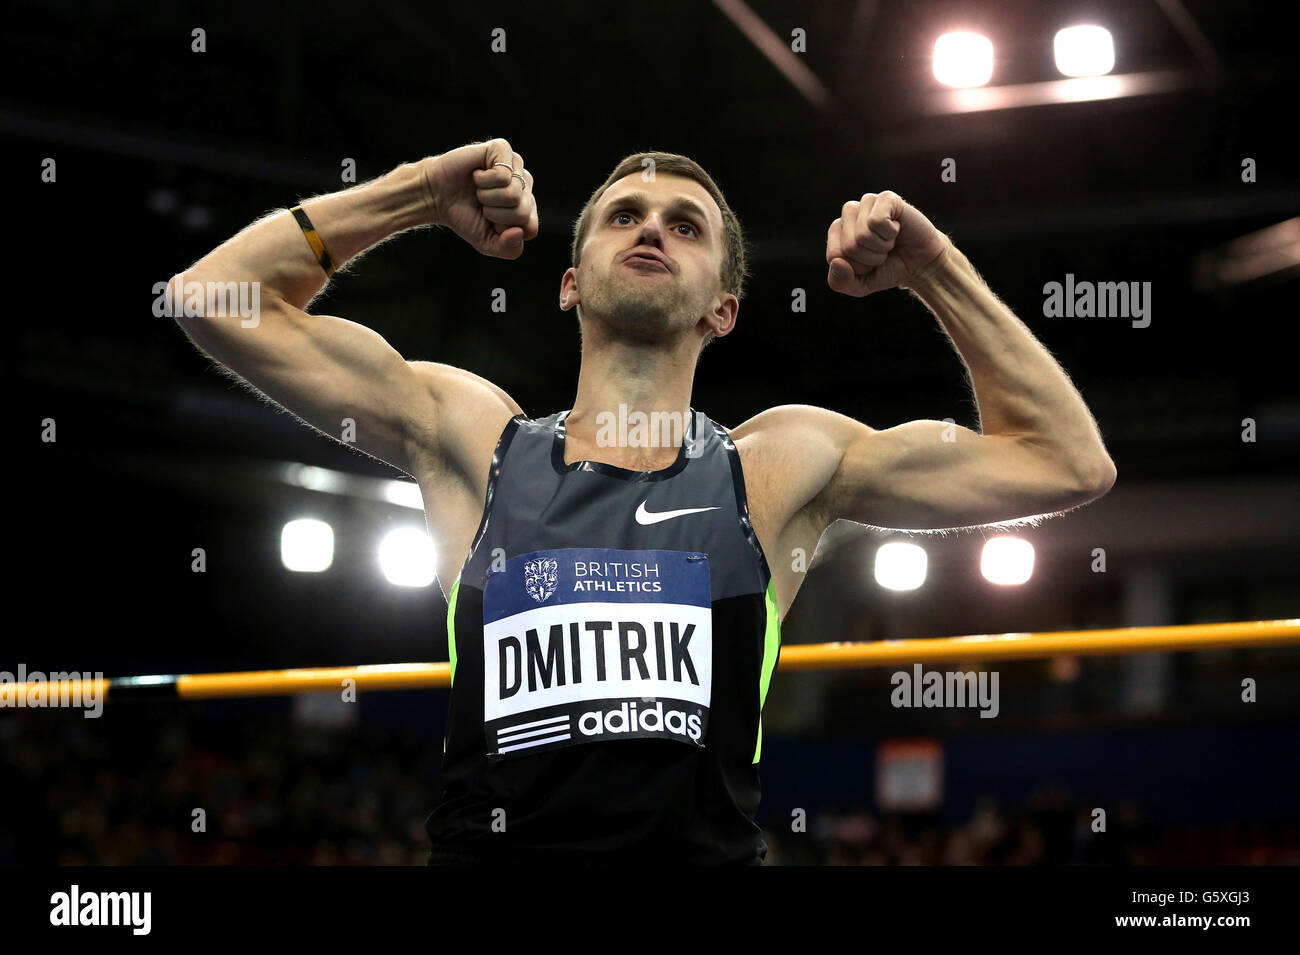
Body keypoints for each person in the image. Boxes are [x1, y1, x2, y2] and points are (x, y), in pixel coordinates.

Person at [169, 138, 1116, 865]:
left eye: (686, 224)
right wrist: (416, 192)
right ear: (571, 283)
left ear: (723, 307)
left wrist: (934, 268)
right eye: (624, 215)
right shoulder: (471, 439)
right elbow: (212, 298)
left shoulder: (777, 466)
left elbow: (1065, 461)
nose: (653, 228)